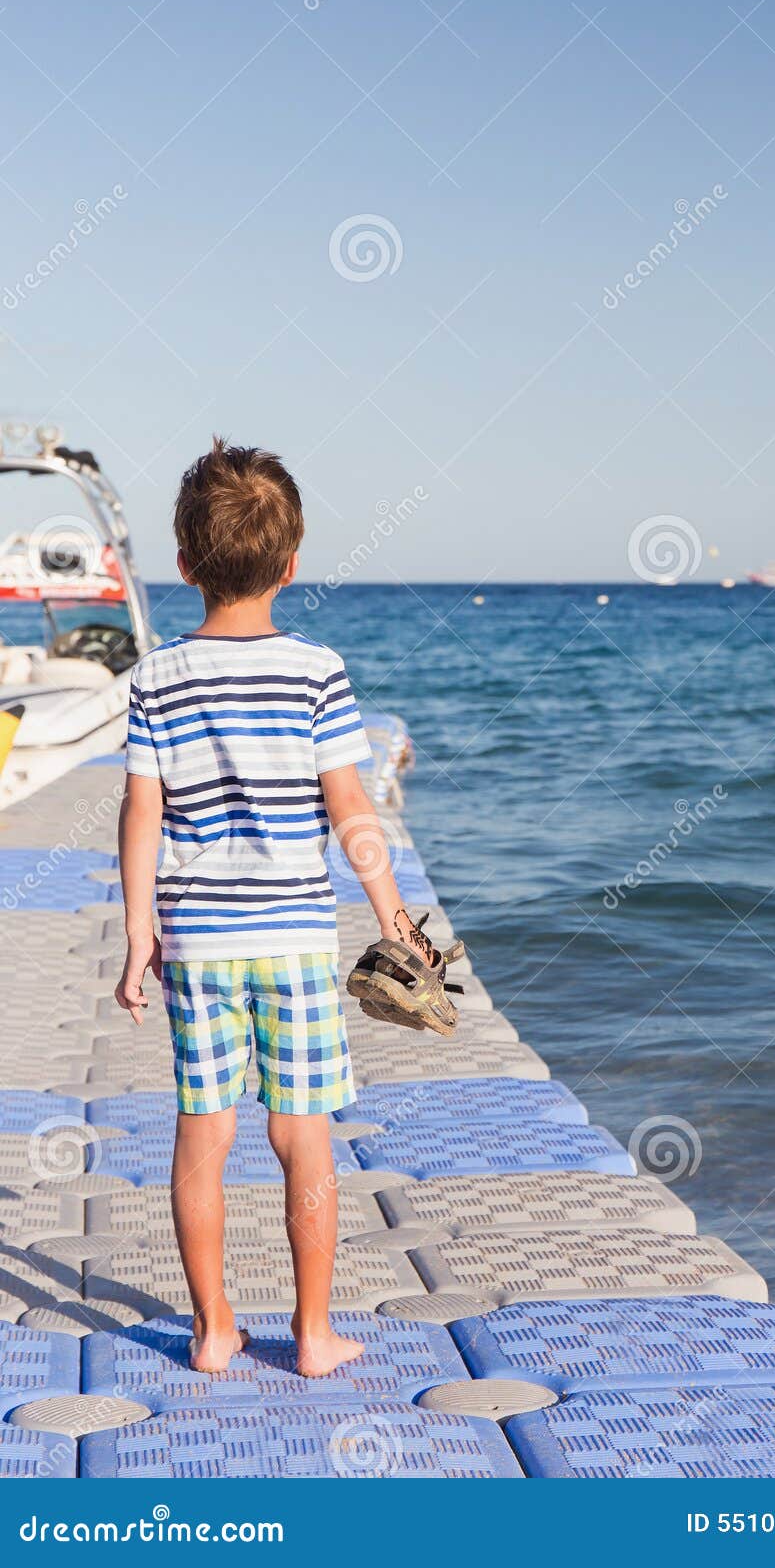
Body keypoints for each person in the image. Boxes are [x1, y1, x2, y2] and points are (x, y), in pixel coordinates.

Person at [115, 438, 427, 1375]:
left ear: (182, 564)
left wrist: (140, 934)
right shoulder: (315, 670)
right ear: (291, 566)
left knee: (201, 1141)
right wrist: (393, 912)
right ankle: (314, 1333)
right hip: (292, 940)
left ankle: (212, 1330)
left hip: (198, 944)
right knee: (304, 1140)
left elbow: (141, 812)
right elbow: (350, 806)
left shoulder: (157, 678)